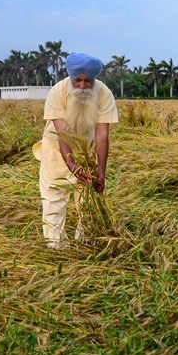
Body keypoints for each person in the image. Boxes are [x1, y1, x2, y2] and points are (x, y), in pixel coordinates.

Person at [33, 52, 120, 247]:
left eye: (88, 81)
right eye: (77, 81)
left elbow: (102, 135)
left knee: (88, 201)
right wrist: (72, 165)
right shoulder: (57, 92)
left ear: (94, 79)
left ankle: (86, 244)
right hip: (57, 152)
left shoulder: (104, 94)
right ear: (71, 77)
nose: (82, 86)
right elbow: (62, 134)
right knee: (54, 200)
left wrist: (100, 173)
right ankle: (55, 248)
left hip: (88, 153)